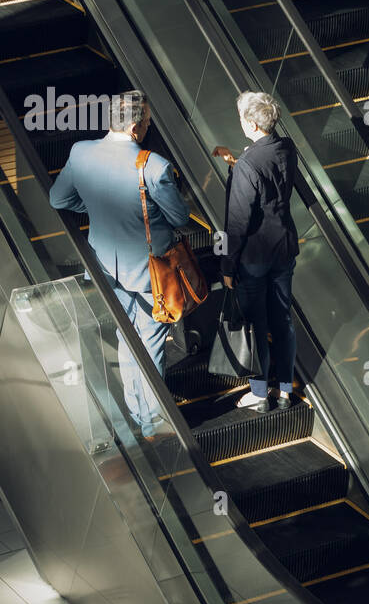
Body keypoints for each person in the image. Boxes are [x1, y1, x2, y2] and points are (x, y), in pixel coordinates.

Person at [50, 90, 190, 437]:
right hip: (149, 274)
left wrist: (97, 209)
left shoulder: (80, 152)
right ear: (135, 128)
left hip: (104, 267)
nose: (148, 128)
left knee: (127, 338)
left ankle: (142, 415)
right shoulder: (154, 166)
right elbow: (180, 217)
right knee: (150, 342)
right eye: (147, 123)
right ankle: (152, 421)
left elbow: (59, 198)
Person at [212, 91, 299, 413]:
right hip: (284, 248)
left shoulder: (249, 163)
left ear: (251, 123)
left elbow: (237, 223)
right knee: (283, 320)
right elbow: (270, 182)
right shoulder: (285, 147)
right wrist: (238, 164)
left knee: (256, 325)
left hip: (254, 257)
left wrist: (226, 266)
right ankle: (286, 390)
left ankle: (260, 394)